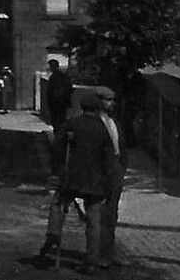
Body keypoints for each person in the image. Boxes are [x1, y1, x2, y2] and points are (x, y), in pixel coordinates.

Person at [40, 91, 117, 275]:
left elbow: (58, 150)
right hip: (95, 181)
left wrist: (57, 171)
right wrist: (109, 182)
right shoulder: (102, 128)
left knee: (58, 205)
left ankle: (54, 234)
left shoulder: (72, 125)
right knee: (93, 220)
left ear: (82, 107)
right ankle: (91, 260)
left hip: (72, 178)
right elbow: (109, 158)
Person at [95, 86, 127, 269]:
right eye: (107, 100)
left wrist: (122, 168)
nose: (111, 103)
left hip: (115, 172)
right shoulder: (94, 122)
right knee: (99, 215)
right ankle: (97, 253)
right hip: (100, 173)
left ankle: (108, 252)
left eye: (112, 100)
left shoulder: (115, 122)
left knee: (111, 215)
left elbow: (121, 146)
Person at [45, 59, 73, 131]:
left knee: (56, 121)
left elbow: (50, 91)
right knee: (62, 119)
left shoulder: (53, 77)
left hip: (55, 103)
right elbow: (70, 87)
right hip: (63, 103)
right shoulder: (64, 76)